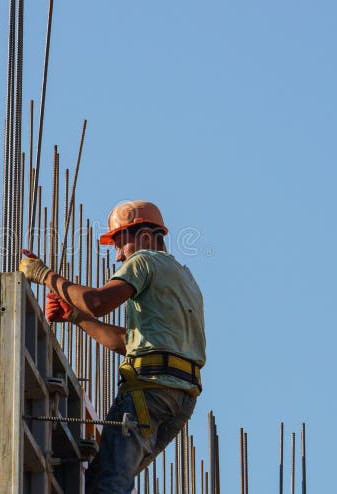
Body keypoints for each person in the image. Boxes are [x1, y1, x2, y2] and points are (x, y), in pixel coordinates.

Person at [19, 200, 206, 494]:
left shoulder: (144, 261)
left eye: (120, 243)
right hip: (181, 397)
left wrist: (44, 275)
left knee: (110, 483)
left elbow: (97, 302)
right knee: (100, 479)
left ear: (144, 236)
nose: (118, 256)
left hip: (149, 390)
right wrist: (75, 316)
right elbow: (131, 343)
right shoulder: (185, 279)